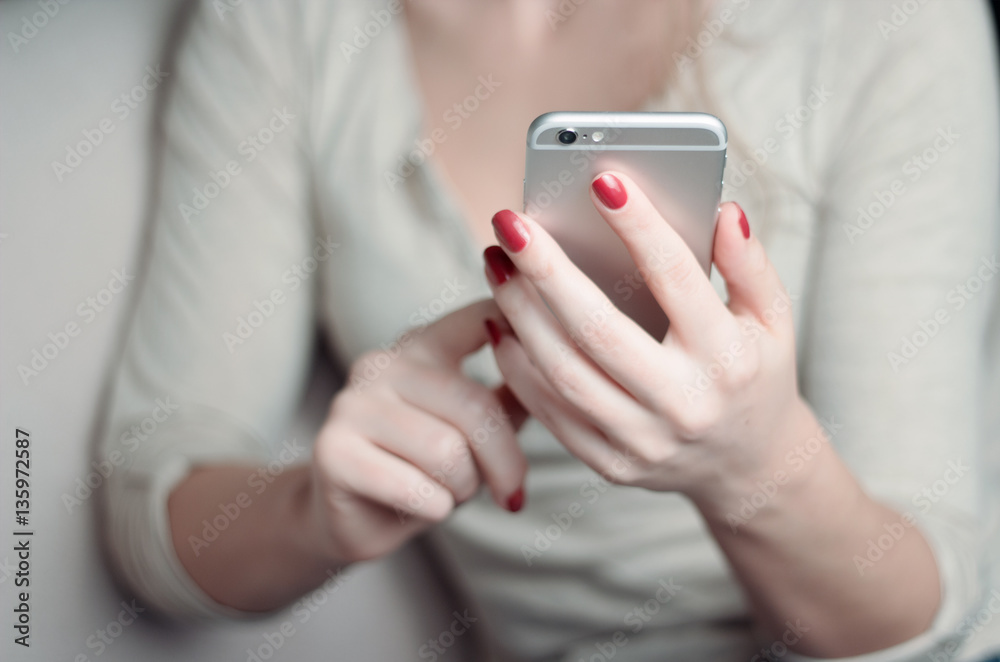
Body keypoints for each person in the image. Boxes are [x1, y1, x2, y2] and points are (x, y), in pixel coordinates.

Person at [98, 0, 1000, 660]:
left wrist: (755, 472)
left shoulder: (885, 24)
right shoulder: (284, 24)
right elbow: (152, 491)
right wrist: (317, 512)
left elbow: (933, 608)